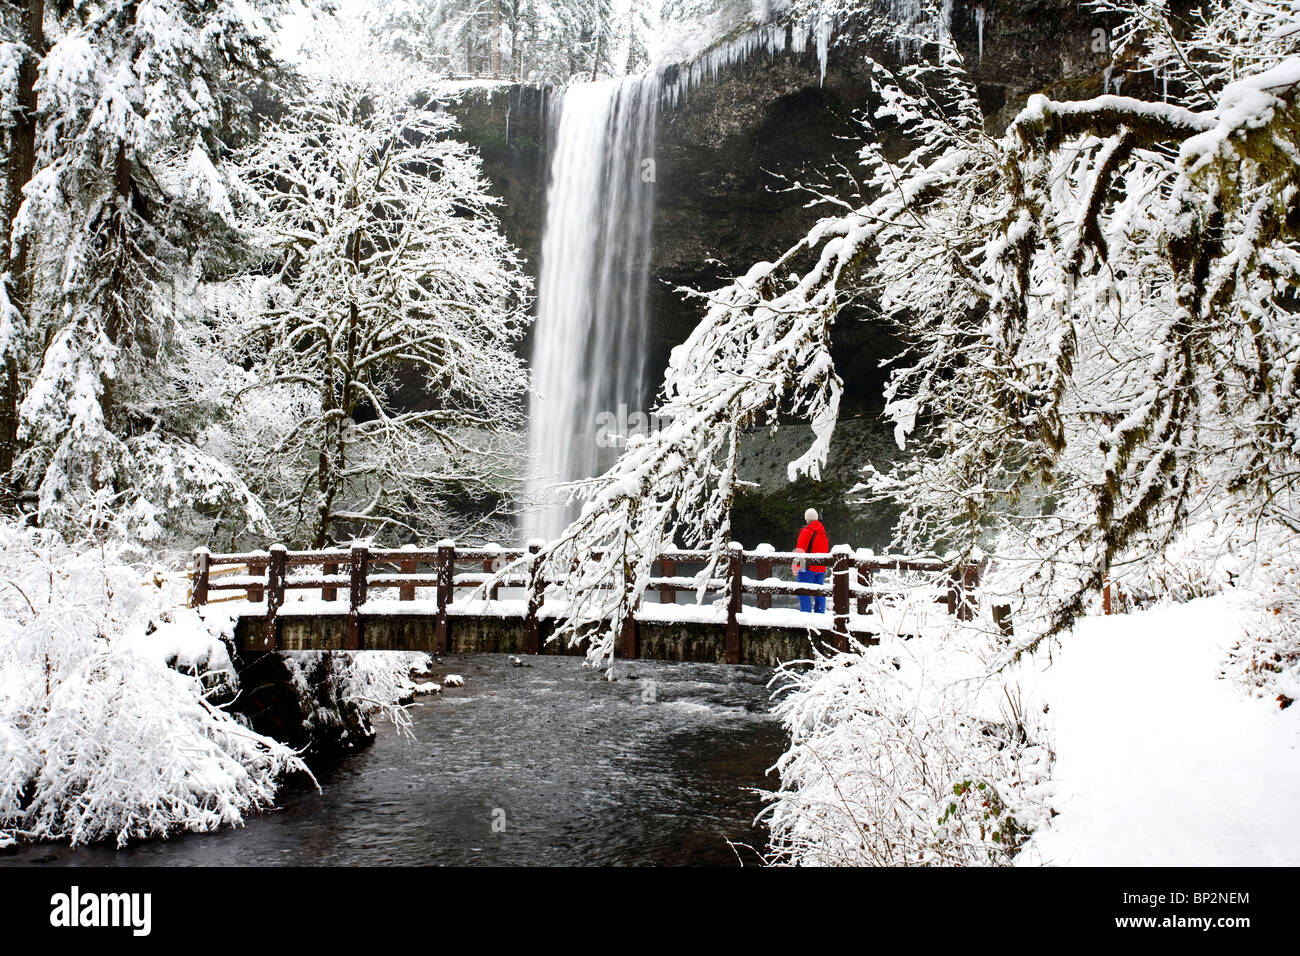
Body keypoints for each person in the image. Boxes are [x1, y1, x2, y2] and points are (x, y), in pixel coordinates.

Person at [793, 508, 829, 613]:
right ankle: (819, 616)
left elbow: (800, 550)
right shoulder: (823, 532)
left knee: (804, 593)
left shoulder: (806, 531)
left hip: (807, 568)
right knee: (819, 594)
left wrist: (796, 567)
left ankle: (806, 618)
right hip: (821, 568)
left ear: (806, 518)